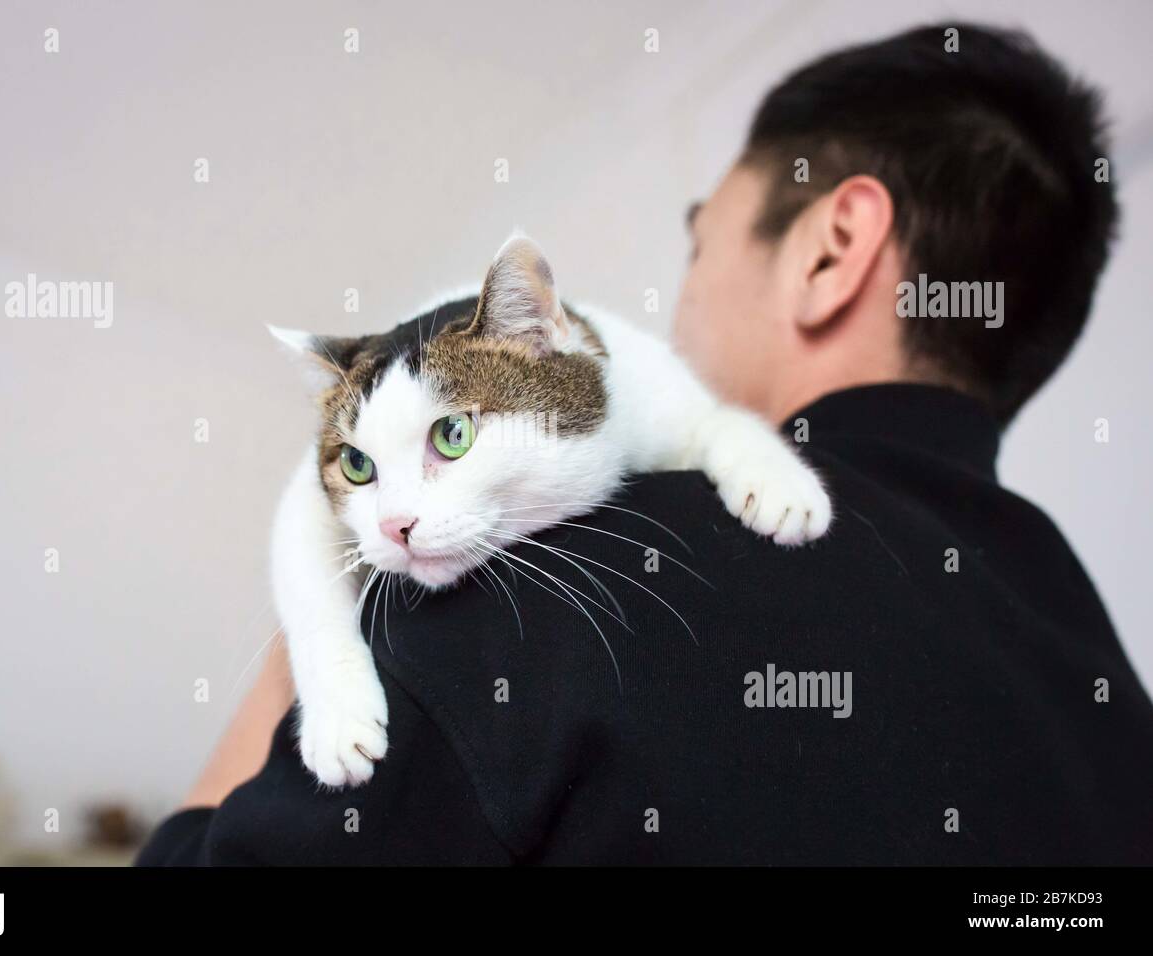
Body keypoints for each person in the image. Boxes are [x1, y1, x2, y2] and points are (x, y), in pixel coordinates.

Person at [138, 22, 1152, 865]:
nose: (682, 292)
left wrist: (311, 639)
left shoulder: (541, 579)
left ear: (831, 251)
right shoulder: (1104, 684)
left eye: (700, 236)